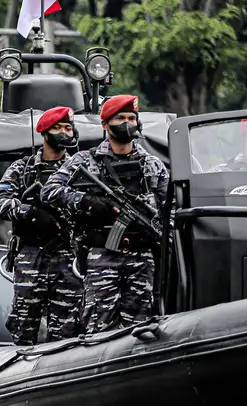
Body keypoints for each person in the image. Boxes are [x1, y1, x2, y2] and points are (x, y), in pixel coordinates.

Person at [41, 94, 169, 335]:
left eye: (131, 118)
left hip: (142, 257)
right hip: (103, 255)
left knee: (139, 327)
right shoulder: (86, 161)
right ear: (105, 124)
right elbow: (50, 191)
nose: (127, 123)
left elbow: (169, 206)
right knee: (99, 327)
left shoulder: (151, 165)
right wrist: (87, 201)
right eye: (120, 118)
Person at [0, 105, 82, 345]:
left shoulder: (79, 169)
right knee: (23, 325)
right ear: (44, 132)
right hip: (31, 255)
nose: (64, 133)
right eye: (58, 128)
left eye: (68, 128)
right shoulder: (23, 169)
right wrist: (29, 212)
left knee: (66, 329)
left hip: (67, 255)